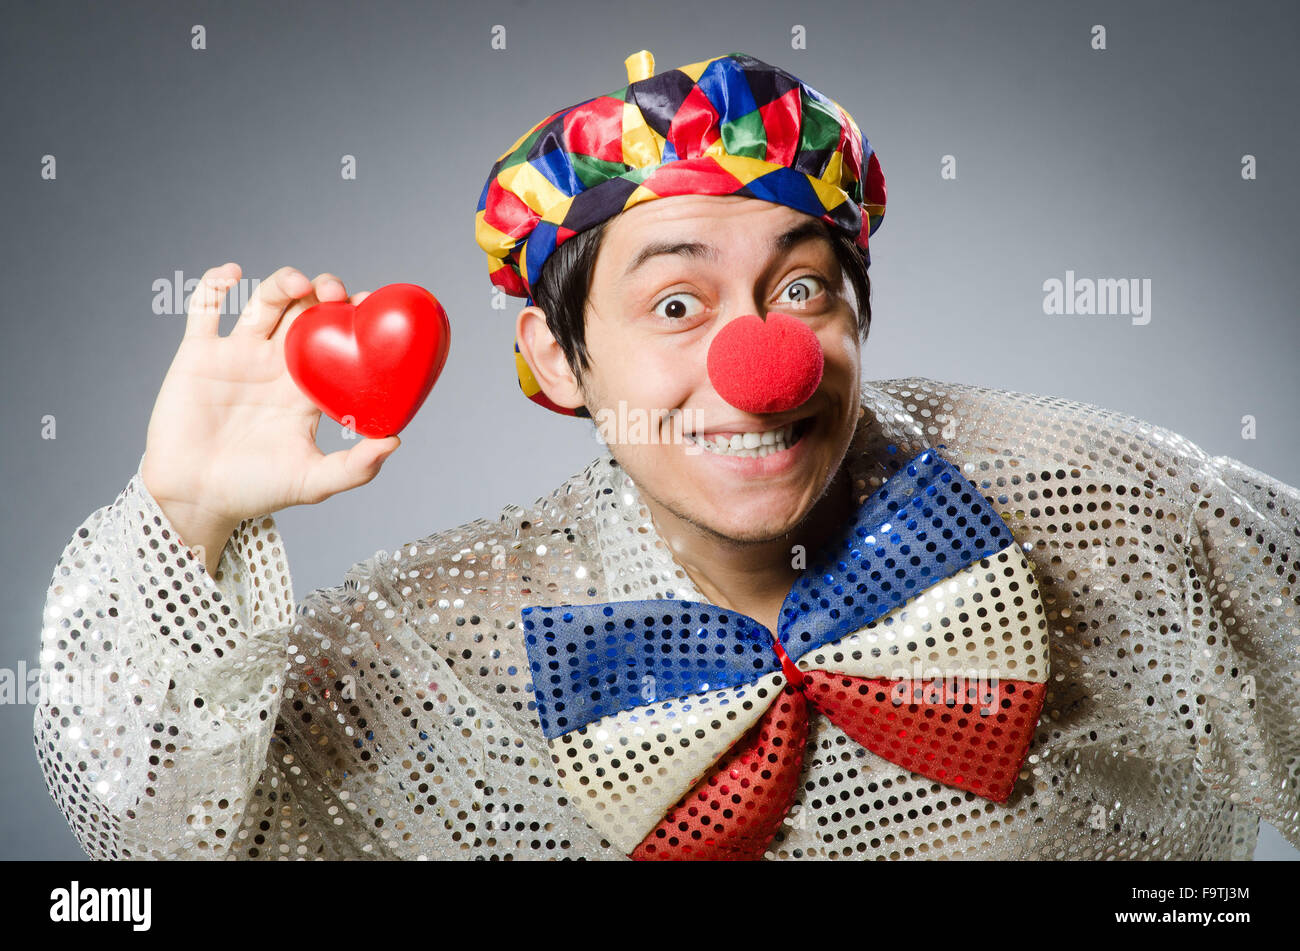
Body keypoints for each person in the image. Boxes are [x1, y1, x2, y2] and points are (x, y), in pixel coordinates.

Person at [33, 49, 1300, 860]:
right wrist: (184, 518)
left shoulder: (1102, 508)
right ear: (556, 357)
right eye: (677, 307)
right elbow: (151, 852)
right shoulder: (432, 645)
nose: (768, 366)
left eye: (802, 293)